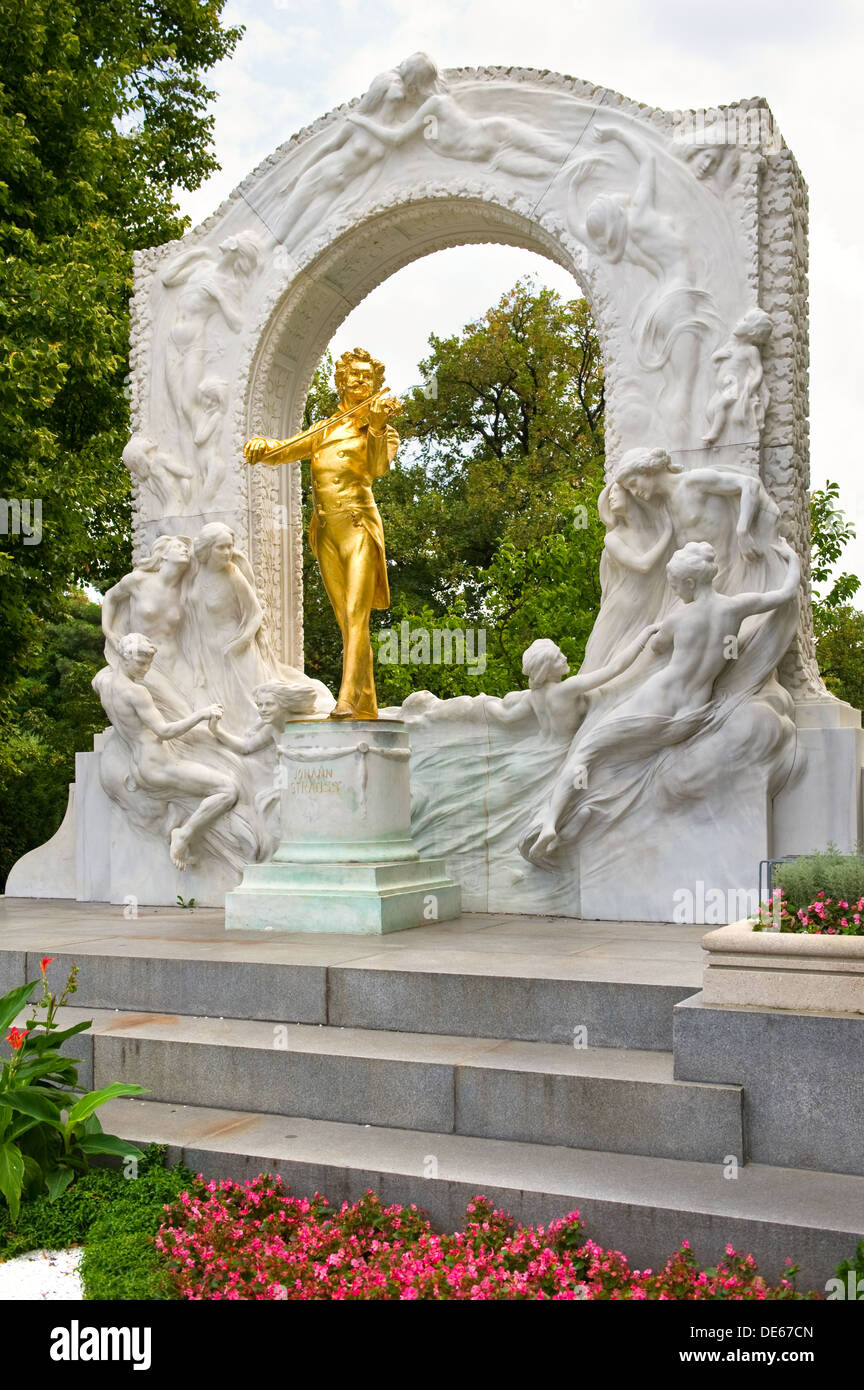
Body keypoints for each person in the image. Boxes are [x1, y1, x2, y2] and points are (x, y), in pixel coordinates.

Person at [519, 537, 800, 864]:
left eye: (676, 584)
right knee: (622, 761)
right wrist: (790, 557)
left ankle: (551, 822)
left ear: (691, 582)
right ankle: (585, 817)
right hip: (691, 714)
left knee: (587, 751)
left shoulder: (677, 619)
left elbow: (656, 648)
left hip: (658, 701)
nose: (675, 591)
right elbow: (784, 593)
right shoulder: (735, 607)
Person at [244, 348, 400, 720]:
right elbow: (285, 450)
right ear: (341, 381)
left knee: (357, 613)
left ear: (375, 384)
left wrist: (377, 426)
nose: (361, 380)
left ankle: (346, 700)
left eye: (367, 376)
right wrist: (263, 449)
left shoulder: (381, 428)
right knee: (346, 620)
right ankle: (367, 703)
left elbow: (378, 467)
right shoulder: (324, 429)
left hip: (358, 526)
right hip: (326, 530)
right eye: (354, 374)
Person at [92, 633, 236, 871]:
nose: (145, 669)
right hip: (158, 764)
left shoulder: (103, 682)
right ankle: (183, 834)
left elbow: (98, 680)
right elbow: (164, 730)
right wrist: (201, 714)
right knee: (227, 789)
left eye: (148, 663)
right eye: (141, 663)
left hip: (139, 765)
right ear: (124, 658)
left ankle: (178, 823)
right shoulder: (136, 692)